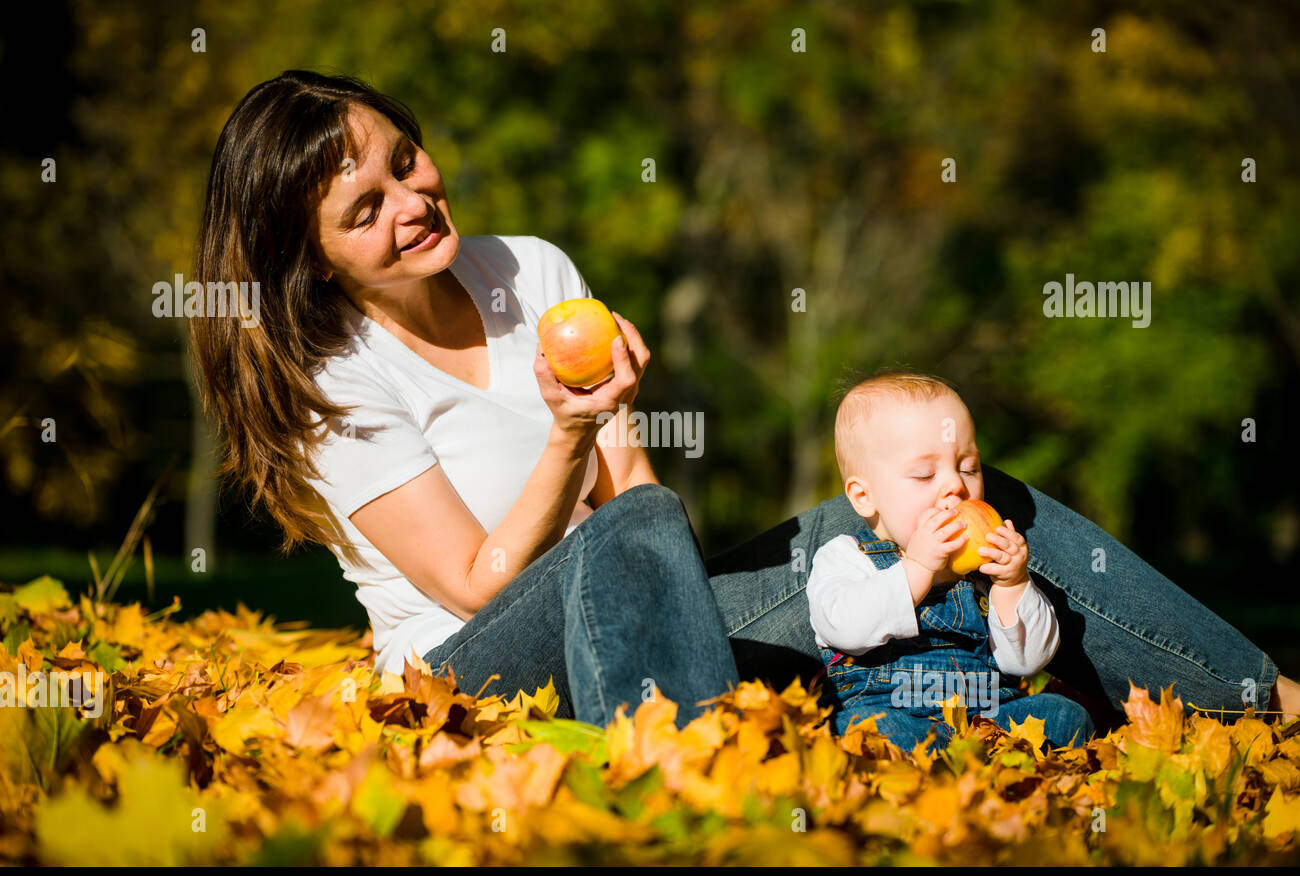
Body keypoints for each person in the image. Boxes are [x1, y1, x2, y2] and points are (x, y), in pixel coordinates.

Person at [188, 69, 1299, 737]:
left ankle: (1266, 695)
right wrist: (577, 437)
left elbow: (643, 501)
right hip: (477, 675)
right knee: (627, 539)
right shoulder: (327, 379)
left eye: (406, 158)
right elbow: (478, 584)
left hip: (640, 610)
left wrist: (623, 466)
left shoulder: (525, 267)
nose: (412, 199)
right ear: (315, 260)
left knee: (951, 491)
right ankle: (699, 777)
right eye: (364, 207)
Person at [806, 372, 1094, 751]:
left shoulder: (981, 568)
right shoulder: (847, 557)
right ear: (864, 497)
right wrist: (918, 568)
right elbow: (844, 627)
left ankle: (986, 772)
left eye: (968, 468)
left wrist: (1013, 584)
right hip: (891, 710)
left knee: (1064, 716)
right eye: (925, 474)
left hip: (985, 718)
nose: (955, 486)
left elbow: (1027, 661)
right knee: (865, 729)